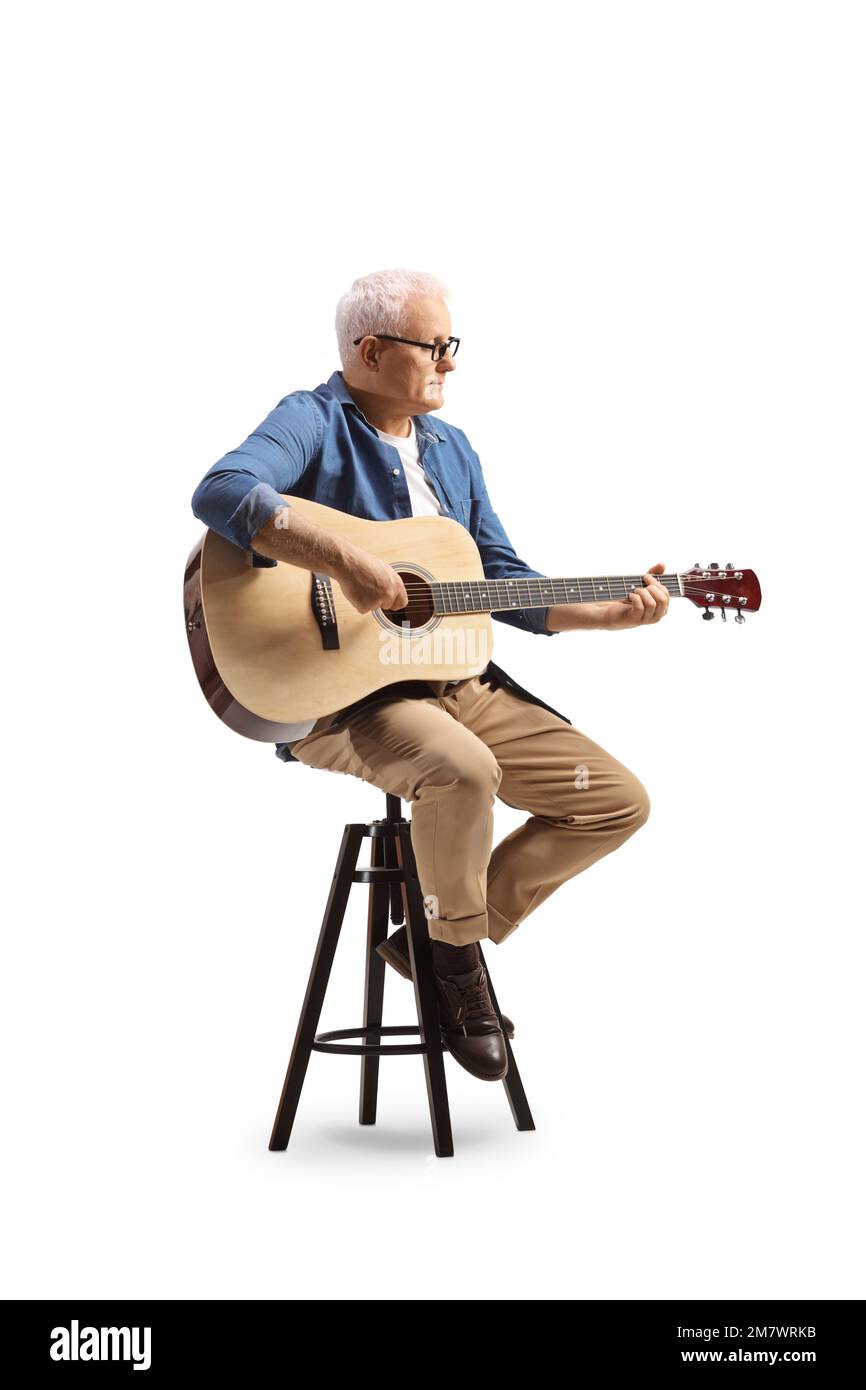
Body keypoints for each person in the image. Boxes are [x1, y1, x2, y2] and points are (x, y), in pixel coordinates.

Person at [190, 268, 669, 1084]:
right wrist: (352, 563)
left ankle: (429, 937)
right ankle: (460, 973)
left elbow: (501, 581)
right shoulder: (311, 419)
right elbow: (223, 491)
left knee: (612, 800)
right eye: (436, 346)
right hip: (344, 698)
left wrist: (606, 613)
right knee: (462, 772)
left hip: (454, 680)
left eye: (453, 345)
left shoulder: (453, 448)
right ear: (371, 351)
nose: (450, 363)